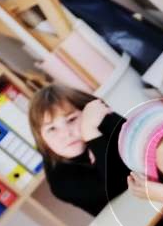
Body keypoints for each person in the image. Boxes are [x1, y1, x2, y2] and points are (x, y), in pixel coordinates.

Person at [28, 85, 128, 214]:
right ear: (41, 139)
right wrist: (91, 134)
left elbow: (144, 146)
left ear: (87, 112)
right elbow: (117, 186)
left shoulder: (102, 122)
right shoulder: (59, 179)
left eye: (71, 119)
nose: (66, 134)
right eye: (51, 129)